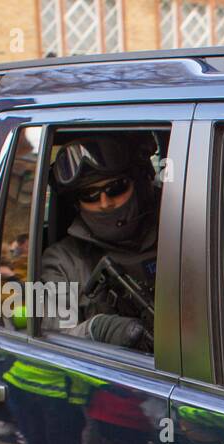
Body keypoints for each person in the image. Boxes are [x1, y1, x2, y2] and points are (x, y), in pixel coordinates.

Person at [39, 134, 160, 350]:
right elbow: (54, 340)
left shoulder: (178, 230)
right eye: (90, 195)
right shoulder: (63, 262)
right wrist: (97, 330)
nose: (105, 203)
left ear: (138, 183)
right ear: (77, 204)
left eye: (116, 188)